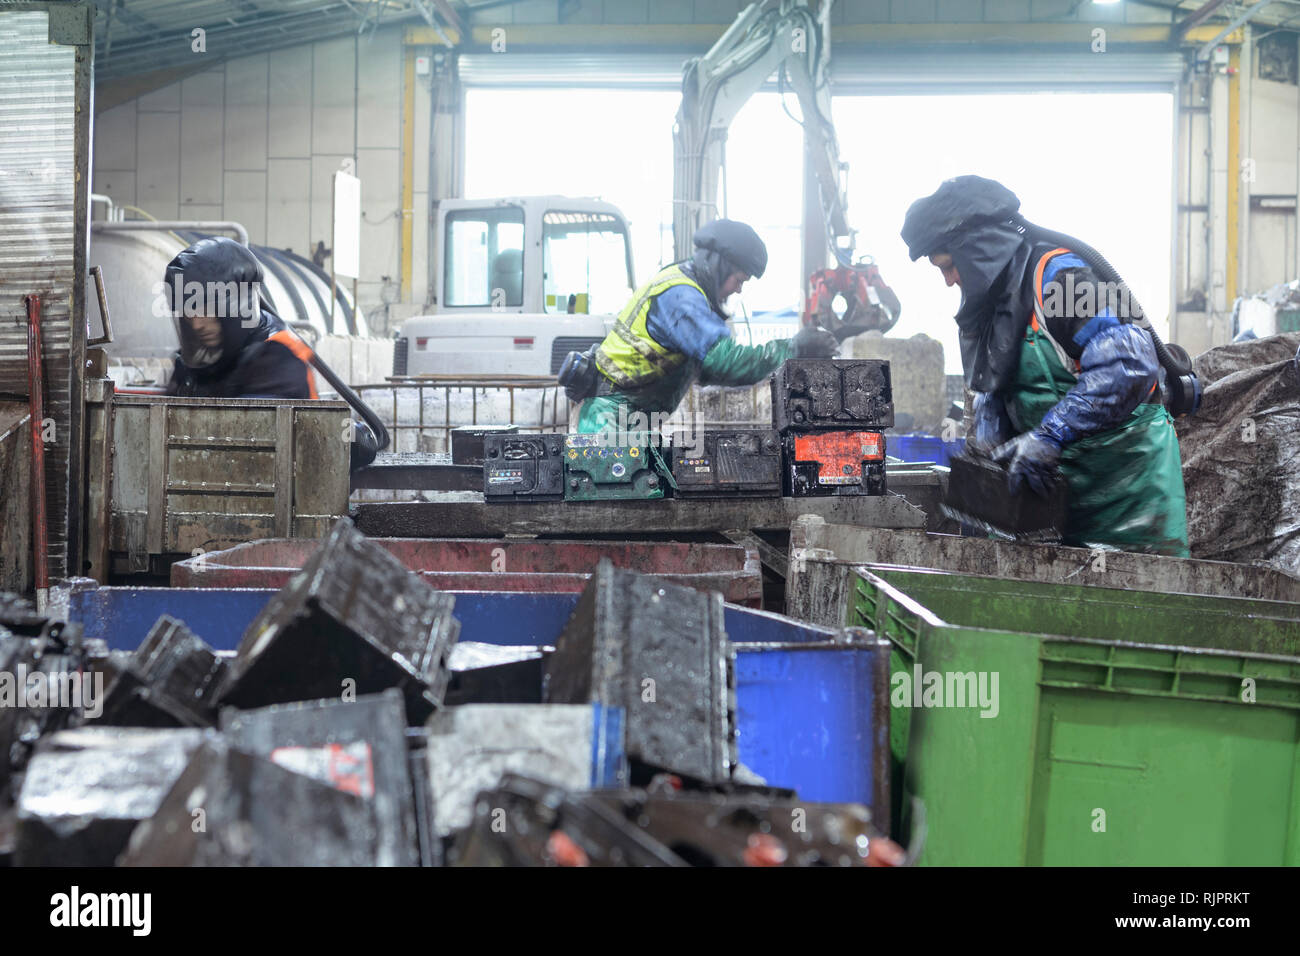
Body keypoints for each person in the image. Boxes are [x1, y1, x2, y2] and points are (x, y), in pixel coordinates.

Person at [901, 175, 1188, 557]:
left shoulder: (1063, 279)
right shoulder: (990, 306)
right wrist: (989, 455)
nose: (950, 281)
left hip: (1127, 498)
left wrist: (1051, 435)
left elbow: (1129, 366)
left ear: (978, 248)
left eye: (950, 265)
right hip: (1050, 503)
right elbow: (993, 387)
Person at [574, 219, 871, 436]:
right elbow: (724, 362)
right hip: (610, 422)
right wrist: (794, 348)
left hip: (629, 420)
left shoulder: (685, 289)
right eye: (739, 280)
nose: (738, 290)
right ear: (720, 265)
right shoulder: (681, 297)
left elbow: (709, 371)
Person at [163, 236, 377, 467]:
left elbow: (254, 431)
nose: (197, 324)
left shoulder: (278, 355)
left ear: (236, 304)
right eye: (188, 311)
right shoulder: (193, 364)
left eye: (206, 308)